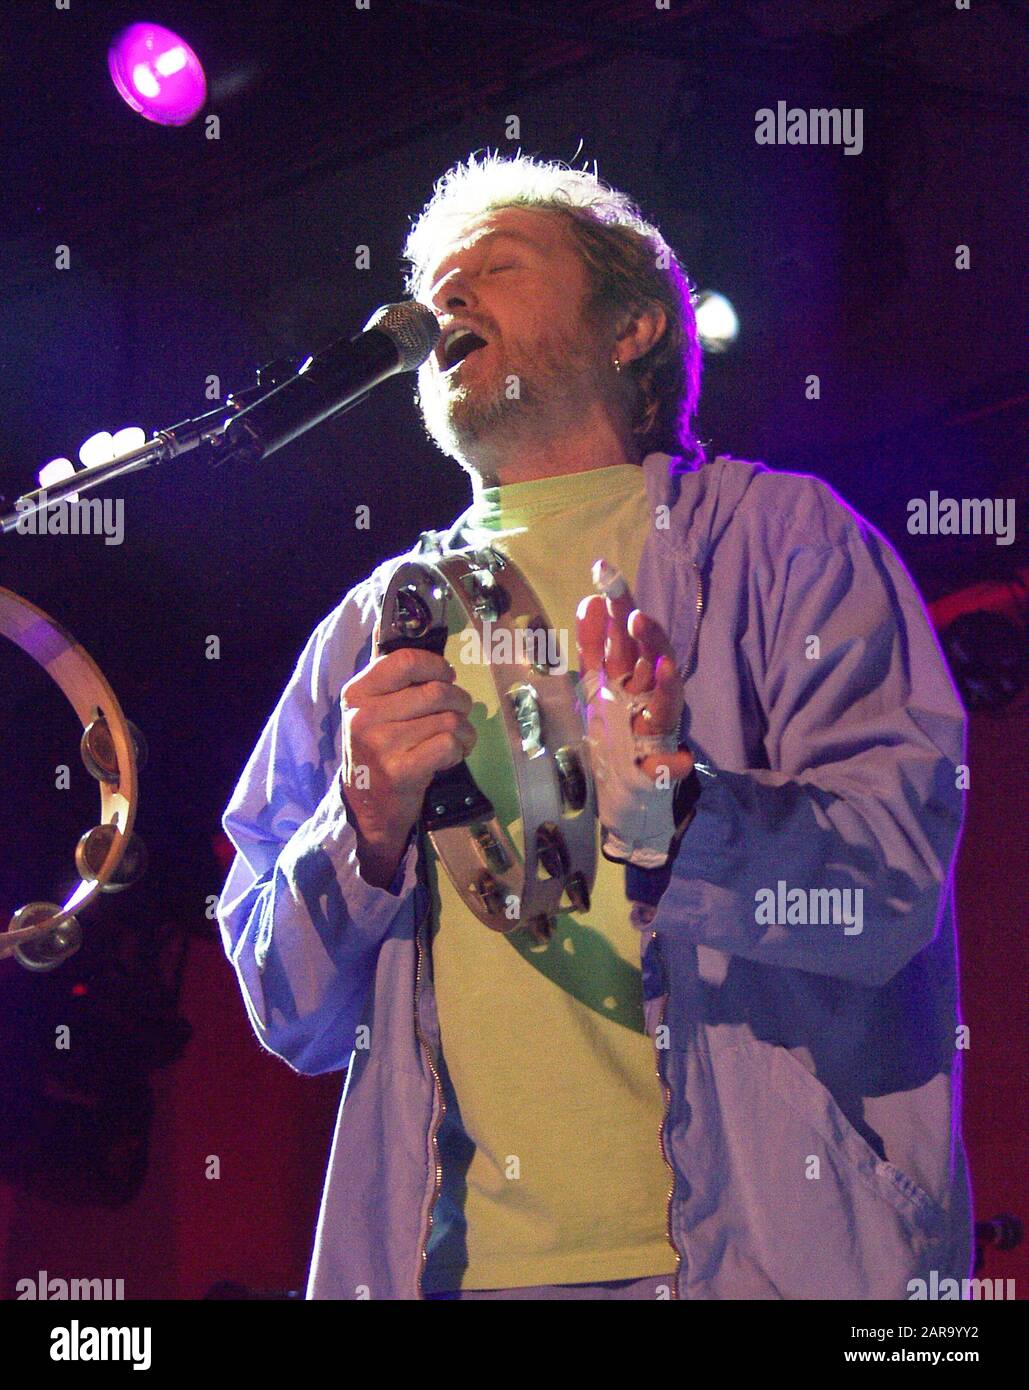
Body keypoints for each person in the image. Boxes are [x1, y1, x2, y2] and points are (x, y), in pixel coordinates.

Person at [216, 152, 972, 1300]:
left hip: (771, 1272)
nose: (444, 300)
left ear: (630, 327)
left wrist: (687, 809)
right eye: (433, 282)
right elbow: (284, 1008)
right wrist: (359, 824)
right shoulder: (370, 627)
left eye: (495, 268)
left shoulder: (786, 543)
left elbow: (892, 887)